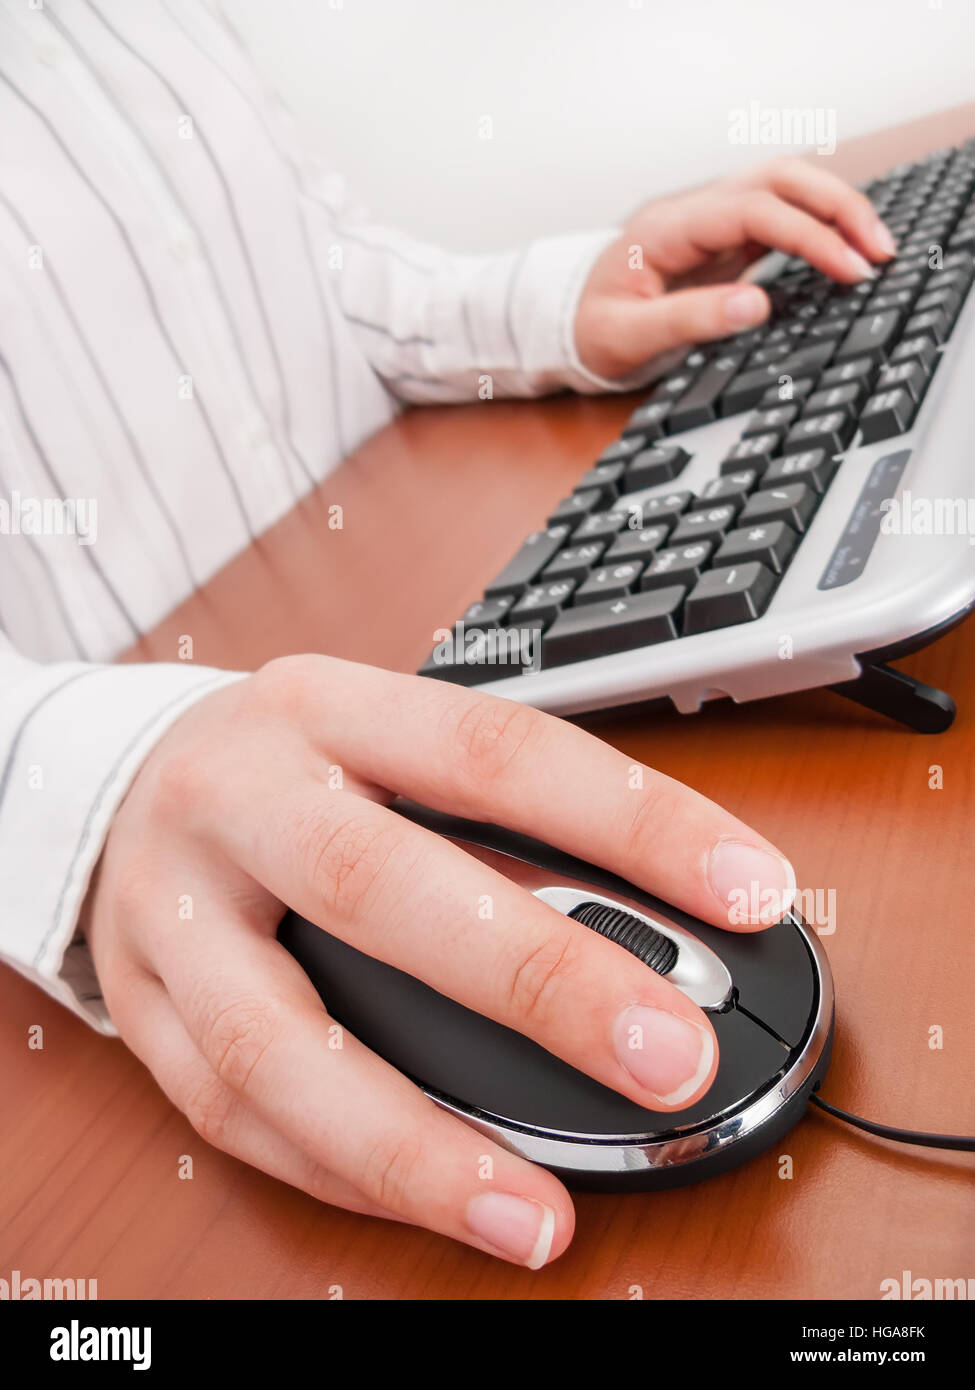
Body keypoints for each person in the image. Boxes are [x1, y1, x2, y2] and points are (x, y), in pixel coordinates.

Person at [0, 0, 894, 1271]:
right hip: (155, 820)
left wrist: (562, 302)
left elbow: (320, 274)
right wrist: (105, 776)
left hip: (396, 618)